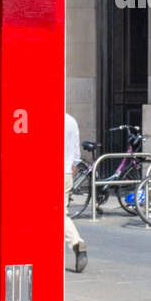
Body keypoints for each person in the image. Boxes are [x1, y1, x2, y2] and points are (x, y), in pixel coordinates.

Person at [65, 111, 87, 272]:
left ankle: (76, 242)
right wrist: (70, 174)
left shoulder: (45, 119)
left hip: (48, 171)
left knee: (57, 214)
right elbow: (76, 155)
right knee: (60, 211)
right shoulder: (71, 120)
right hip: (65, 173)